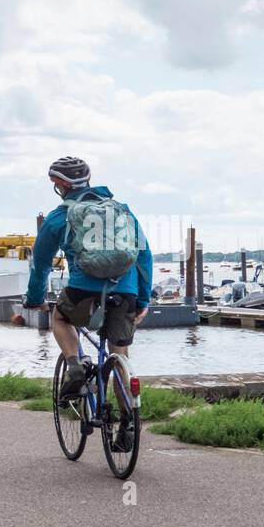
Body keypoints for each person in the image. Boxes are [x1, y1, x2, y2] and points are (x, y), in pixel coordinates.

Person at [23, 157, 152, 419]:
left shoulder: (59, 217)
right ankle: (128, 423)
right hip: (124, 291)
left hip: (82, 291)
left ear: (58, 183)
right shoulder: (122, 210)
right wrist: (143, 300)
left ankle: (75, 366)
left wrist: (35, 298)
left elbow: (41, 263)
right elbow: (144, 256)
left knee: (60, 318)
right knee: (119, 355)